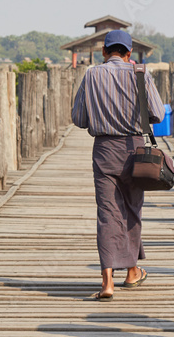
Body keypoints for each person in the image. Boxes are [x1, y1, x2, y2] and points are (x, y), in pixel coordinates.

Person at [71, 29, 165, 300]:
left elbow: (78, 118)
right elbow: (157, 114)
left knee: (107, 214)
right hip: (135, 151)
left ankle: (107, 282)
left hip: (103, 151)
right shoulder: (140, 74)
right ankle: (132, 272)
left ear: (104, 51)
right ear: (129, 53)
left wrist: (102, 116)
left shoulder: (91, 75)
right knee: (132, 211)